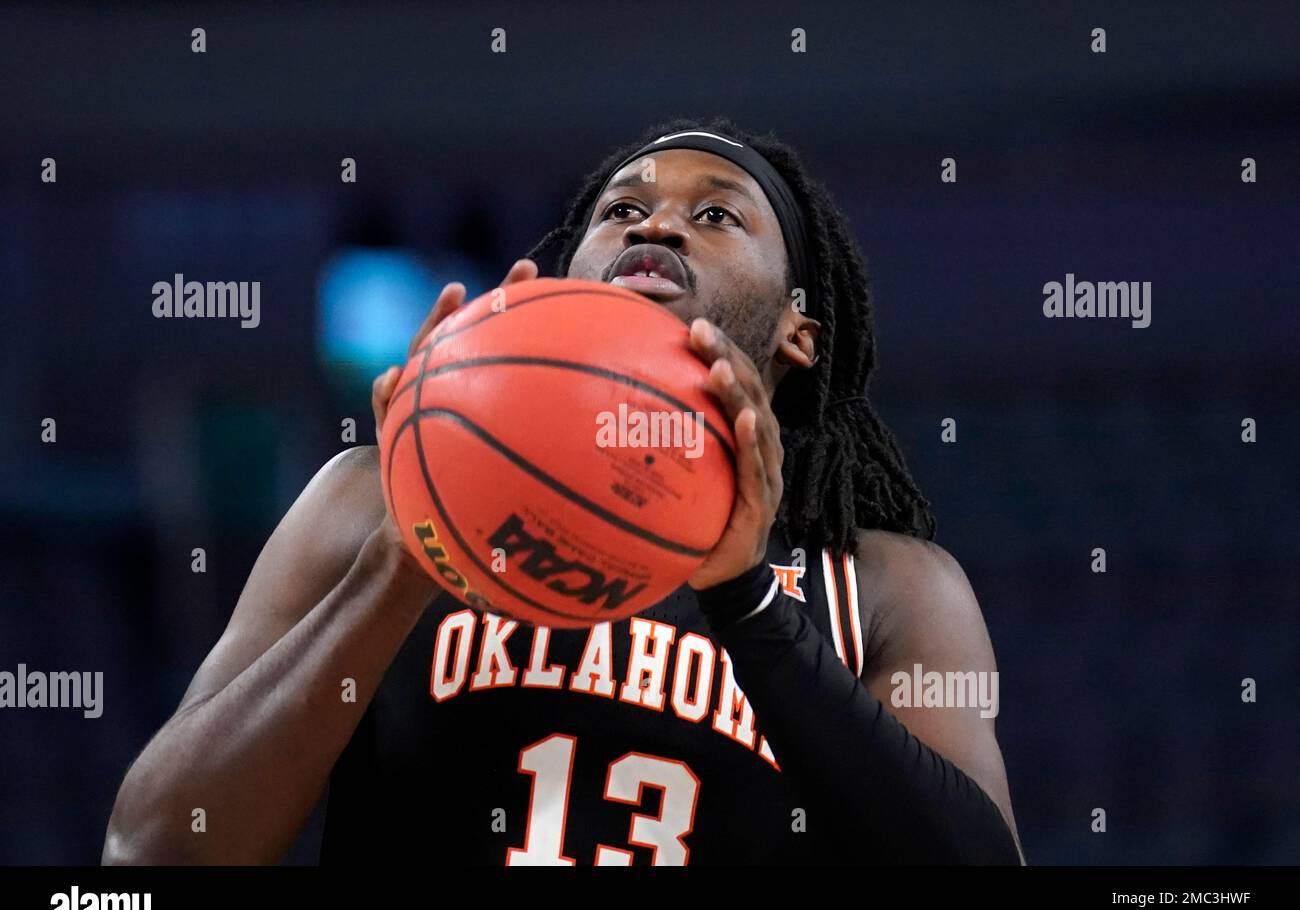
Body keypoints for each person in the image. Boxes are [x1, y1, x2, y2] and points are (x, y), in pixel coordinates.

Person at [104, 117, 1024, 865]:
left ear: (799, 332)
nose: (655, 225)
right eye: (621, 207)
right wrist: (403, 557)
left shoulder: (883, 584)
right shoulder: (370, 496)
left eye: (717, 216)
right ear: (567, 274)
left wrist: (749, 607)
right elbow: (152, 853)